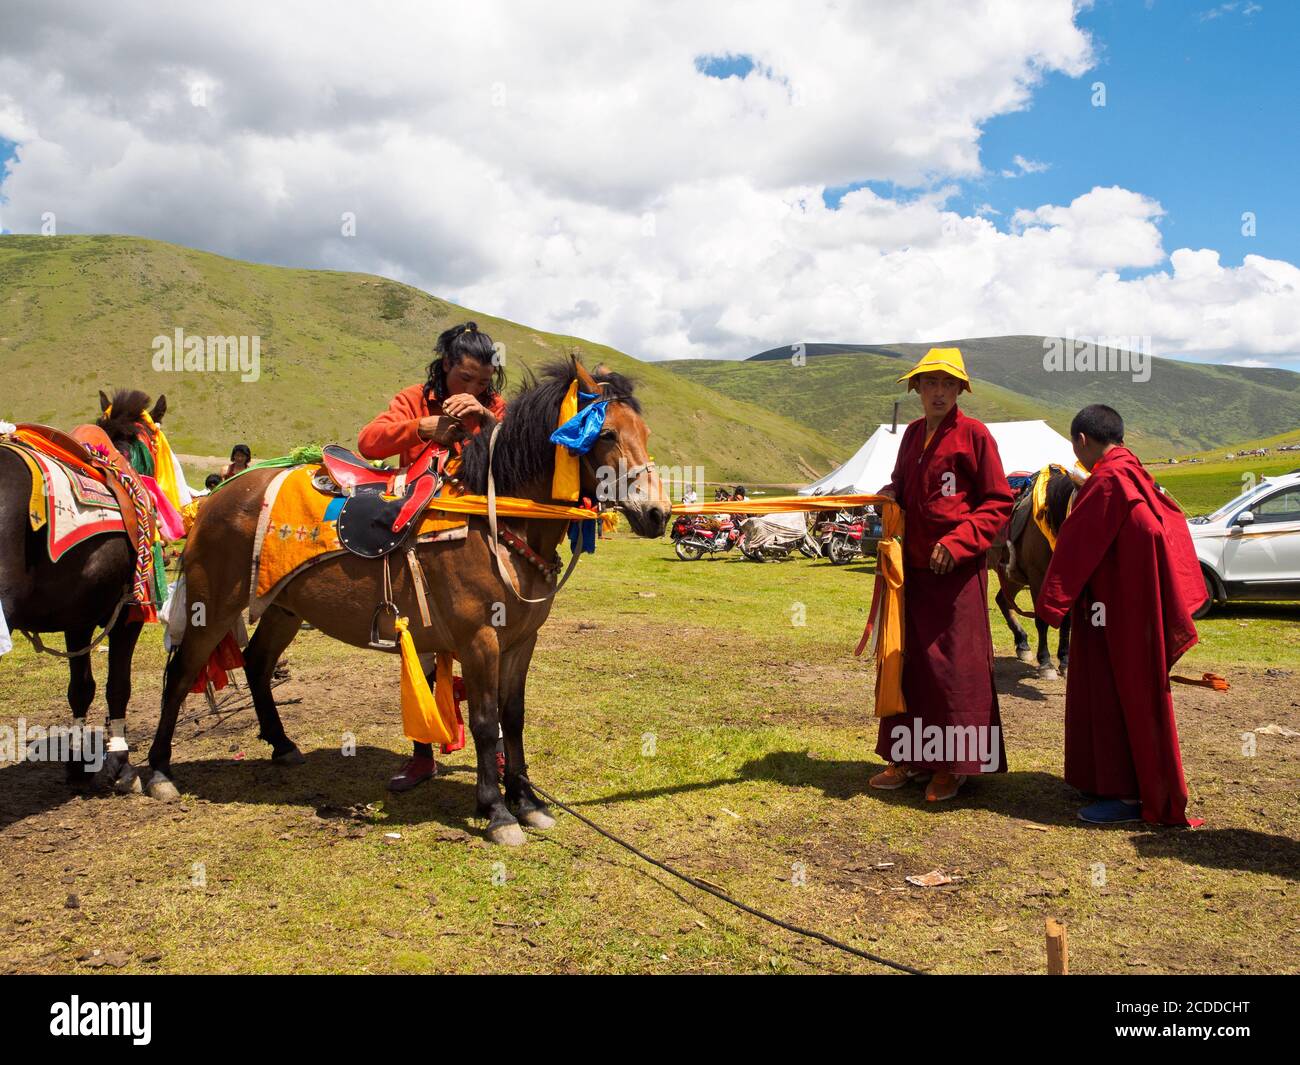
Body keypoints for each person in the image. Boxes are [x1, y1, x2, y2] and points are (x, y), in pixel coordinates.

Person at [1037, 405, 1207, 826]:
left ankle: (1129, 795)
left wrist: (1050, 605)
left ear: (1081, 441)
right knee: (1104, 691)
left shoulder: (1109, 480)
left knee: (1119, 696)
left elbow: (1076, 544)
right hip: (1122, 605)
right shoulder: (1135, 471)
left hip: (1120, 612)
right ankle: (1103, 780)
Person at [358, 321, 508, 793]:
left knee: (488, 650)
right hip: (421, 533)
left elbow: (518, 448)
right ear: (445, 367)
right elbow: (369, 443)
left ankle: (498, 752)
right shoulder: (413, 398)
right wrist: (419, 428)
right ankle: (422, 754)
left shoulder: (493, 405)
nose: (474, 388)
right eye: (465, 379)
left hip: (478, 532)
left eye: (483, 381)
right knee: (419, 647)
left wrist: (483, 414)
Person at [869, 348, 1014, 802]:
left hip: (955, 576)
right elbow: (904, 488)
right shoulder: (911, 435)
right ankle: (910, 757)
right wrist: (890, 497)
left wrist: (958, 542)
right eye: (930, 383)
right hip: (912, 573)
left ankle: (955, 767)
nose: (938, 392)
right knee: (913, 665)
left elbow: (997, 502)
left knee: (954, 669)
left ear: (959, 390)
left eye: (948, 384)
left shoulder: (975, 436)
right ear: (917, 389)